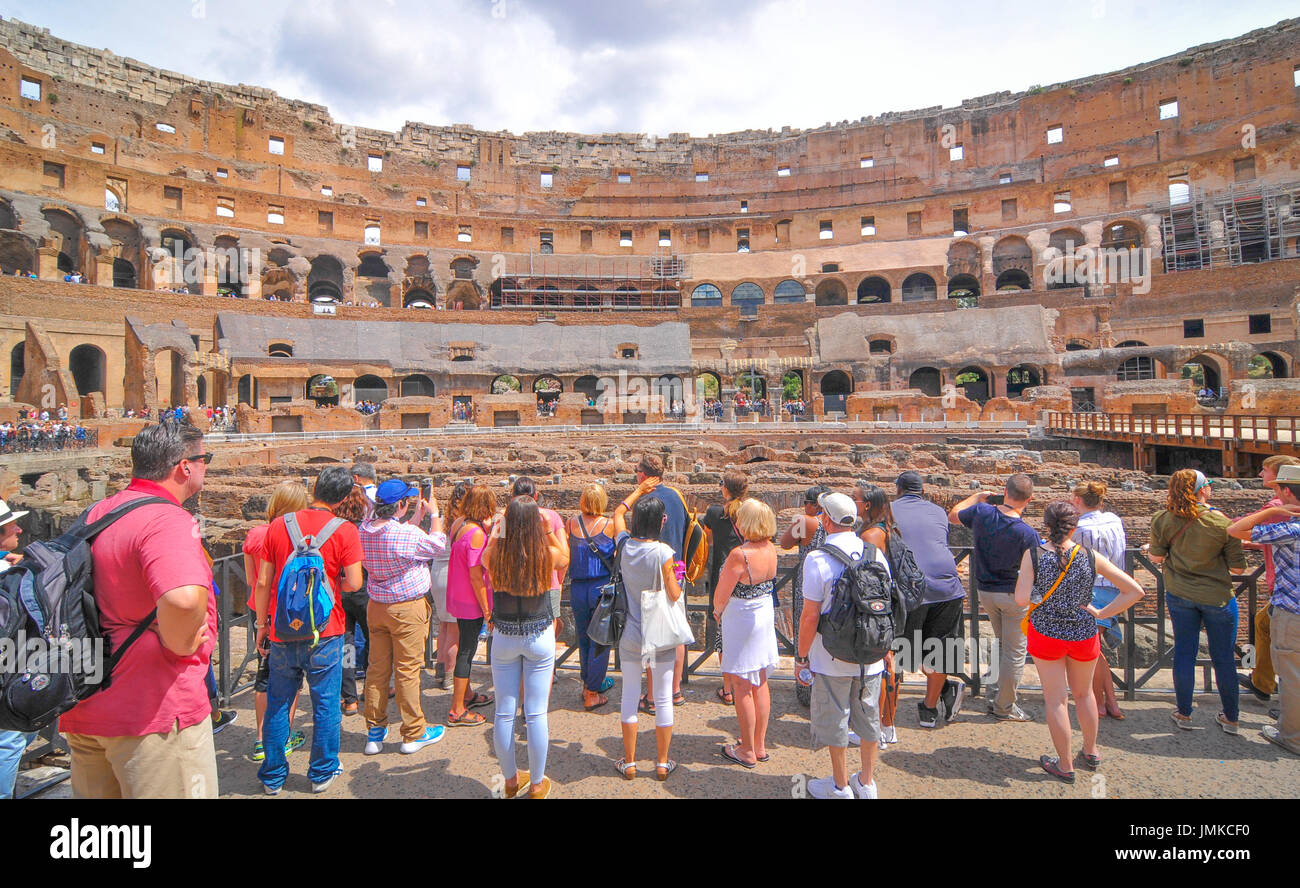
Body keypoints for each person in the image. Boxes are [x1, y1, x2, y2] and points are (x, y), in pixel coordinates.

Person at [60, 420, 218, 798]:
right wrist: (180, 645)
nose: (205, 467)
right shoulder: (166, 519)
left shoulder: (98, 512)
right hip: (152, 712)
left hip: (86, 704)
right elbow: (183, 598)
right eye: (205, 459)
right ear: (184, 466)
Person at [1015, 501, 1144, 782]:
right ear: (1074, 526)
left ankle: (1064, 764)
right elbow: (1134, 591)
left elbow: (1021, 599)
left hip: (1047, 632)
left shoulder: (1033, 555)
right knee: (1085, 695)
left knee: (1056, 700)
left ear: (1046, 525)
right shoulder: (1089, 556)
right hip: (1084, 632)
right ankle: (1091, 750)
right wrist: (1102, 612)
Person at [255, 465, 364, 795]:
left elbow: (263, 582)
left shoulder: (278, 526)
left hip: (281, 629)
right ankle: (320, 773)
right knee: (326, 704)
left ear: (314, 488)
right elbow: (355, 582)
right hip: (325, 632)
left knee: (277, 703)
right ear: (344, 497)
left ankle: (273, 777)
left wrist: (262, 624)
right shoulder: (344, 530)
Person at [796, 491, 888, 799]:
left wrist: (801, 655)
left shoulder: (817, 559)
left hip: (829, 654)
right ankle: (867, 781)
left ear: (825, 519)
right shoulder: (875, 554)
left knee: (836, 718)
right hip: (870, 655)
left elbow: (809, 617)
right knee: (868, 717)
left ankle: (839, 786)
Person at [1145, 469, 1246, 734]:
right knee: (1224, 657)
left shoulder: (1163, 519)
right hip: (1218, 597)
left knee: (1184, 653)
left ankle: (1184, 713)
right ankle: (1232, 718)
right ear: (1202, 489)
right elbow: (1237, 570)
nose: (1211, 488)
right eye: (1209, 484)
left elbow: (1155, 557)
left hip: (1180, 595)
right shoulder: (1222, 523)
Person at [484, 496, 569, 798]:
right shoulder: (545, 553)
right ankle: (535, 783)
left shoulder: (497, 555)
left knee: (504, 713)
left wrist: (497, 531)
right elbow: (564, 558)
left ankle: (509, 780)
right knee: (536, 714)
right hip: (539, 633)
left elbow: (484, 559)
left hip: (504, 634)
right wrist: (546, 529)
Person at [358, 479, 446, 755]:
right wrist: (433, 515)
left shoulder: (365, 529)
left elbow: (399, 533)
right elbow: (437, 545)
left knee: (377, 669)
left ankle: (375, 731)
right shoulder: (405, 536)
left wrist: (414, 517)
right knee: (407, 671)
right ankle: (413, 732)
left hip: (377, 606)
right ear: (400, 505)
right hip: (406, 608)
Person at [948, 474, 1041, 721]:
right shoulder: (1027, 533)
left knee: (1002, 646)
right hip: (1014, 597)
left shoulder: (981, 512)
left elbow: (954, 514)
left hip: (986, 592)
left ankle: (994, 696)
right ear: (1029, 500)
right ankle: (1004, 707)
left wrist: (976, 497)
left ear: (1004, 490)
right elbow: (1038, 568)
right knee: (1015, 652)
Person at [611, 496, 686, 780]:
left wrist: (638, 491)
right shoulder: (664, 552)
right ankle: (662, 763)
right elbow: (674, 594)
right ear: (662, 522)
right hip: (659, 634)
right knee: (664, 699)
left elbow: (618, 513)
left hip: (630, 630)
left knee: (629, 696)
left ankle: (629, 762)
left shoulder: (624, 545)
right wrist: (678, 576)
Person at [1227, 464, 1300, 755]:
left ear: (1287, 491)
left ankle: (1292, 737)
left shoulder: (1290, 527)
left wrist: (1271, 512)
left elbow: (1235, 529)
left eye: (1278, 489)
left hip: (1292, 610)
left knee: (1292, 676)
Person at [891, 472, 967, 731]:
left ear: (898, 490)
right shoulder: (937, 511)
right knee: (940, 652)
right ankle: (930, 709)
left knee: (896, 651)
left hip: (911, 589)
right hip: (948, 587)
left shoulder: (888, 510)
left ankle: (885, 713)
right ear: (921, 491)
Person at [614, 454, 689, 715]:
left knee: (652, 638)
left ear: (643, 476)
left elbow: (621, 521)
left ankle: (654, 696)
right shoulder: (678, 497)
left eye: (636, 471)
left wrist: (636, 493)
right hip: (675, 571)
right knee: (675, 630)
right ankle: (675, 689)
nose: (635, 475)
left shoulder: (645, 502)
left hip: (649, 573)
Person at [241, 481, 310, 761]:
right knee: (291, 676)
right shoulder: (296, 537)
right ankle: (284, 736)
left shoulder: (255, 534)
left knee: (264, 675)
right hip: (288, 616)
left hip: (260, 614)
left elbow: (251, 580)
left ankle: (260, 737)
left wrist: (260, 623)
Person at [712, 499, 779, 768]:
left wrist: (717, 613)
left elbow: (721, 594)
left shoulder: (740, 554)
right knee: (760, 680)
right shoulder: (771, 548)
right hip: (763, 613)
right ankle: (759, 745)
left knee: (741, 684)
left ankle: (747, 751)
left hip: (742, 617)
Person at [1239, 455, 1300, 703]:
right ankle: (1262, 681)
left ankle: (1266, 686)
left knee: (1285, 650)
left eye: (1264, 470)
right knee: (1264, 624)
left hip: (1288, 594)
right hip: (1285, 590)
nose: (1260, 475)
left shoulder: (1276, 508)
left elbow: (1234, 528)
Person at [1070, 481, 1128, 720]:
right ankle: (1110, 702)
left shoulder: (1078, 528)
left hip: (1091, 592)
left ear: (1076, 501)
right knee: (1095, 648)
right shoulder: (1115, 520)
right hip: (1116, 590)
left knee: (1091, 651)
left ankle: (1102, 704)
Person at [444, 484, 498, 727]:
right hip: (470, 599)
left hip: (456, 593)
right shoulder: (476, 533)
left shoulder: (458, 524)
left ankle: (466, 694)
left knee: (466, 644)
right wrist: (487, 610)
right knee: (467, 649)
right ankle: (457, 709)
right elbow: (477, 575)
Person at [853, 482, 902, 746]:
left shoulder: (871, 535)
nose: (854, 503)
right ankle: (887, 727)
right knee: (886, 663)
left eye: (856, 499)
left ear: (867, 504)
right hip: (885, 604)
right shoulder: (885, 527)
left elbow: (867, 576)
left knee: (881, 664)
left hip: (877, 606)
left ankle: (878, 728)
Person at [566, 482, 617, 710]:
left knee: (584, 637)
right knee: (600, 640)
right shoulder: (609, 525)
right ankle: (593, 691)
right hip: (601, 589)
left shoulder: (571, 523)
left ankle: (588, 683)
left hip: (577, 588)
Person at [702, 469, 750, 706]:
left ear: (725, 489)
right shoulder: (752, 513)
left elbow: (707, 538)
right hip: (748, 580)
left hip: (723, 577)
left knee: (724, 635)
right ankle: (746, 684)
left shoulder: (714, 512)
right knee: (745, 635)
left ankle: (728, 689)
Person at [333, 464, 378, 715]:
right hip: (362, 588)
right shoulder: (365, 528)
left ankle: (349, 698)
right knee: (373, 640)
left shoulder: (334, 527)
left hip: (340, 590)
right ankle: (370, 689)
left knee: (346, 644)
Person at [0, 502, 32, 800]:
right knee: (10, 738)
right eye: (12, 525)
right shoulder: (10, 576)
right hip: (10, 663)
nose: (19, 529)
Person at [512, 476, 569, 639]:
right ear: (536, 496)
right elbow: (565, 556)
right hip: (548, 583)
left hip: (514, 584)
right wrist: (559, 580)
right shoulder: (551, 517)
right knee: (548, 635)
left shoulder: (506, 518)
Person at [431, 481, 471, 690]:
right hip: (452, 575)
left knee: (444, 627)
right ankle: (449, 675)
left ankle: (439, 670)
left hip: (437, 573)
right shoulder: (463, 523)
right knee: (455, 630)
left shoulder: (444, 520)